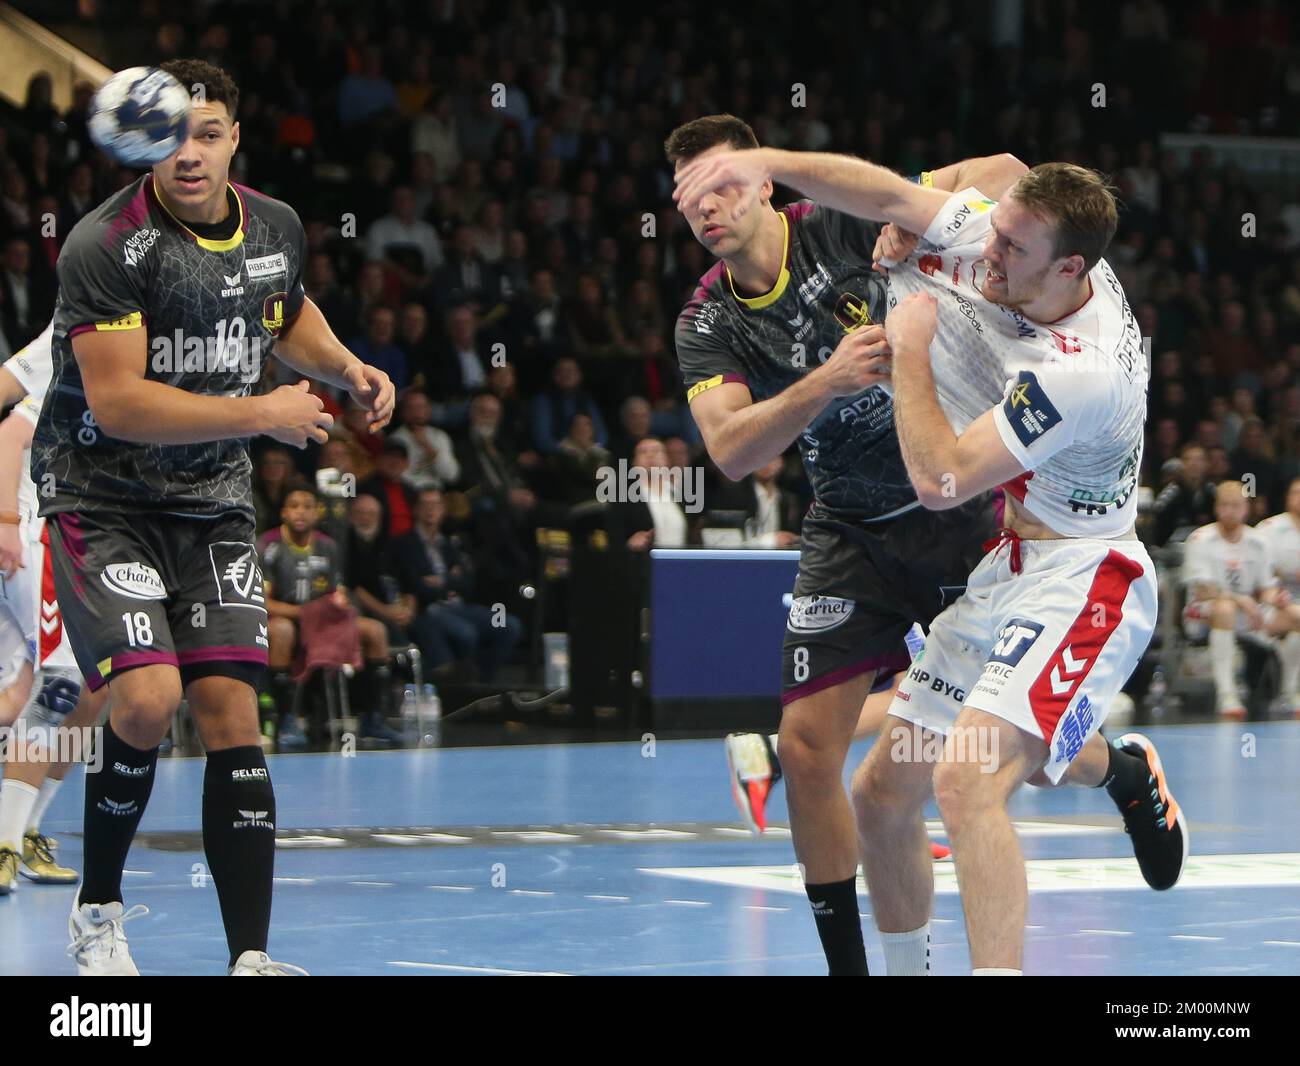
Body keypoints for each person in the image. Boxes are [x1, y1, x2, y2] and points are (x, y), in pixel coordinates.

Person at [675, 146, 1188, 974]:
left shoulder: (1079, 374)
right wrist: (762, 156)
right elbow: (898, 188)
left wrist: (907, 346)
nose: (988, 251)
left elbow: (943, 478)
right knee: (880, 795)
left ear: (1067, 269)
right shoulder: (1008, 244)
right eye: (995, 232)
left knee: (967, 778)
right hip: (996, 568)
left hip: (1083, 576)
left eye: (1011, 249)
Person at [32, 59, 394, 976]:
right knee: (148, 700)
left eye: (209, 133)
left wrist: (344, 368)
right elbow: (119, 405)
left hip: (212, 505)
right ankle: (99, 910)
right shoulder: (104, 245)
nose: (190, 154)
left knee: (235, 711)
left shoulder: (273, 225)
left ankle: (251, 958)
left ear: (236, 138)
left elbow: (284, 310)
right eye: (173, 135)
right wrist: (266, 413)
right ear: (144, 141)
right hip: (103, 497)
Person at [666, 114, 1027, 974]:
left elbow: (1011, 169)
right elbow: (729, 451)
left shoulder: (841, 218)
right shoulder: (706, 321)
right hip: (848, 529)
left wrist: (922, 208)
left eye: (723, 182)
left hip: (953, 506)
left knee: (1030, 750)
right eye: (687, 196)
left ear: (764, 183)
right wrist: (824, 383)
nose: (706, 207)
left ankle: (1123, 771)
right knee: (803, 747)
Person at [0, 323, 109, 893]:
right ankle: (3, 842)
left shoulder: (149, 359)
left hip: (84, 543)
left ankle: (29, 830)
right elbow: (7, 436)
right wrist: (6, 522)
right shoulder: (71, 342)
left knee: (93, 690)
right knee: (60, 683)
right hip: (37, 540)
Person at [259, 485, 401, 748]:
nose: (301, 512)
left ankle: (373, 719)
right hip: (286, 616)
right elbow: (263, 602)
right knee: (281, 632)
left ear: (317, 513)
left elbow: (338, 592)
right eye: (294, 506)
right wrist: (304, 613)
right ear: (284, 513)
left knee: (375, 631)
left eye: (307, 506)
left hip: (323, 620)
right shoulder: (268, 545)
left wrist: (339, 603)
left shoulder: (328, 547)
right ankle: (286, 720)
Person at [1184, 481, 1300, 718]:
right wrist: (1240, 600)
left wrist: (1276, 599)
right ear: (1217, 509)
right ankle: (1227, 695)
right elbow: (1203, 590)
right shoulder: (1200, 538)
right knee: (1225, 608)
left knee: (1295, 615)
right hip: (1204, 613)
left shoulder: (1258, 541)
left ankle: (1289, 693)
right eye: (1225, 506)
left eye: (1236, 506)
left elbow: (1265, 588)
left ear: (1246, 508)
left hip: (1249, 615)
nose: (1230, 511)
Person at [392, 488, 522, 681]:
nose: (431, 510)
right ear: (416, 510)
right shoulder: (403, 543)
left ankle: (482, 681)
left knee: (510, 625)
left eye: (436, 505)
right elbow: (415, 587)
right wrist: (450, 582)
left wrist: (442, 582)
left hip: (460, 606)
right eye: (426, 505)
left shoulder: (451, 543)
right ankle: (464, 684)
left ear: (443, 510)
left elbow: (468, 583)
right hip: (428, 610)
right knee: (465, 633)